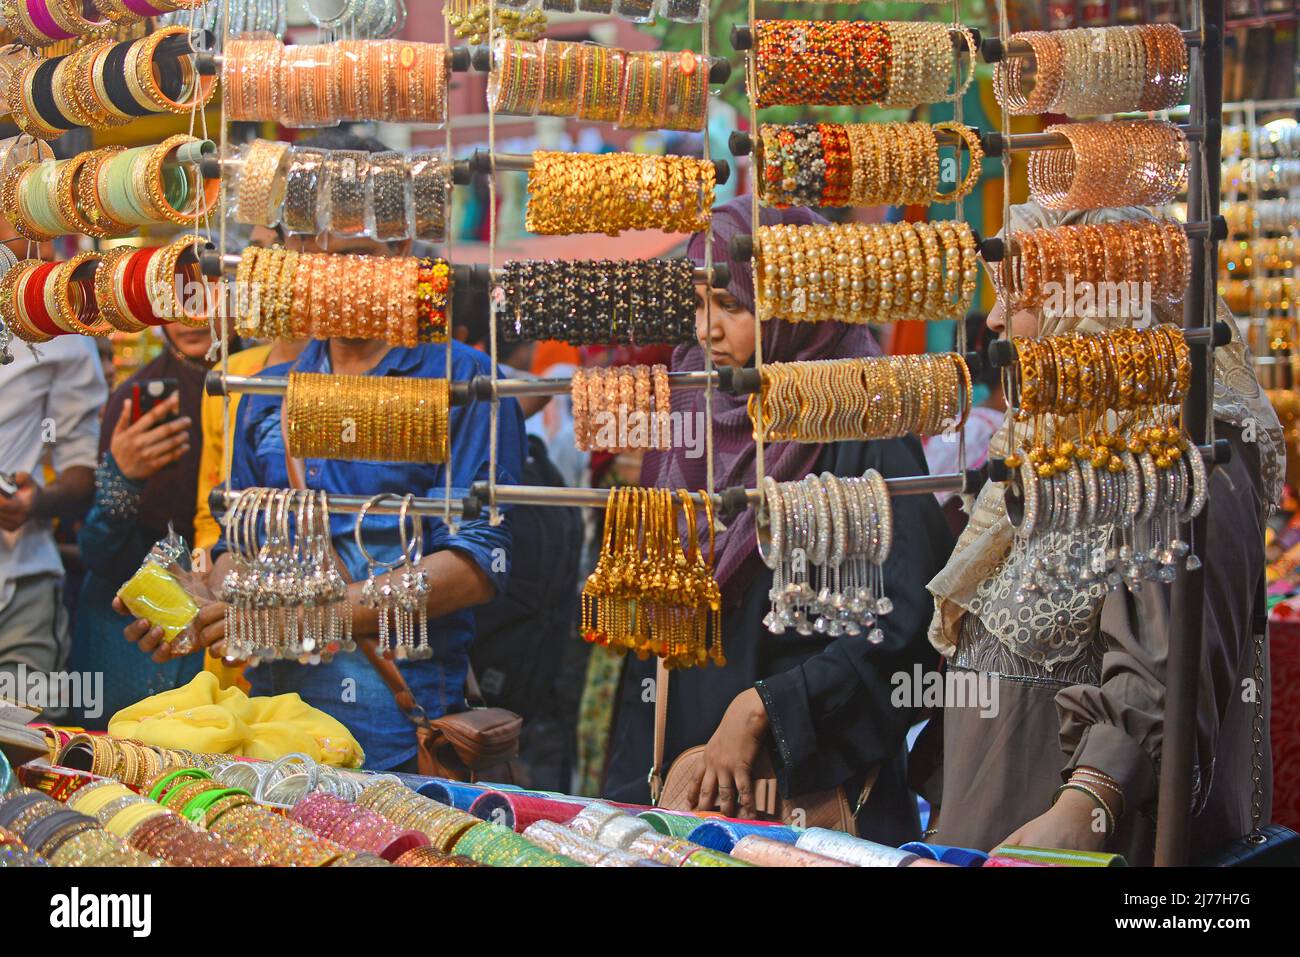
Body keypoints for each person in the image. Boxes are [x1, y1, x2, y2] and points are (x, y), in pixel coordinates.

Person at [117, 131, 529, 773]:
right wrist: (202, 601)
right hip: (276, 724)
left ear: (401, 248)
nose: (322, 272)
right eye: (305, 247)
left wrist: (328, 613)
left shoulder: (466, 384)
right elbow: (237, 547)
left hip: (399, 720)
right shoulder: (261, 390)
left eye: (350, 254)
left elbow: (476, 564)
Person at [919, 203, 1285, 864]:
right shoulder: (1041, 445)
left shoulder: (1185, 454)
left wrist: (1089, 802)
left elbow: (1174, 662)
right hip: (994, 833)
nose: (994, 319)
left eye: (1020, 293)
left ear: (1098, 299)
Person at [602, 197, 956, 846]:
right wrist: (630, 795)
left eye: (733, 307)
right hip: (682, 778)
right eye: (698, 304)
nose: (706, 330)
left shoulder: (861, 412)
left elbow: (913, 626)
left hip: (811, 796)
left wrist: (770, 707)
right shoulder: (689, 410)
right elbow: (652, 636)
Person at [70, 321, 218, 727]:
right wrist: (122, 479)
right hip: (126, 632)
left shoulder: (256, 385)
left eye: (207, 296)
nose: (192, 318)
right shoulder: (130, 397)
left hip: (220, 613)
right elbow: (98, 553)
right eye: (176, 303)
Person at [0, 330, 105, 713]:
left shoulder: (53, 322)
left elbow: (82, 462)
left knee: (24, 750)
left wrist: (36, 501)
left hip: (17, 587)